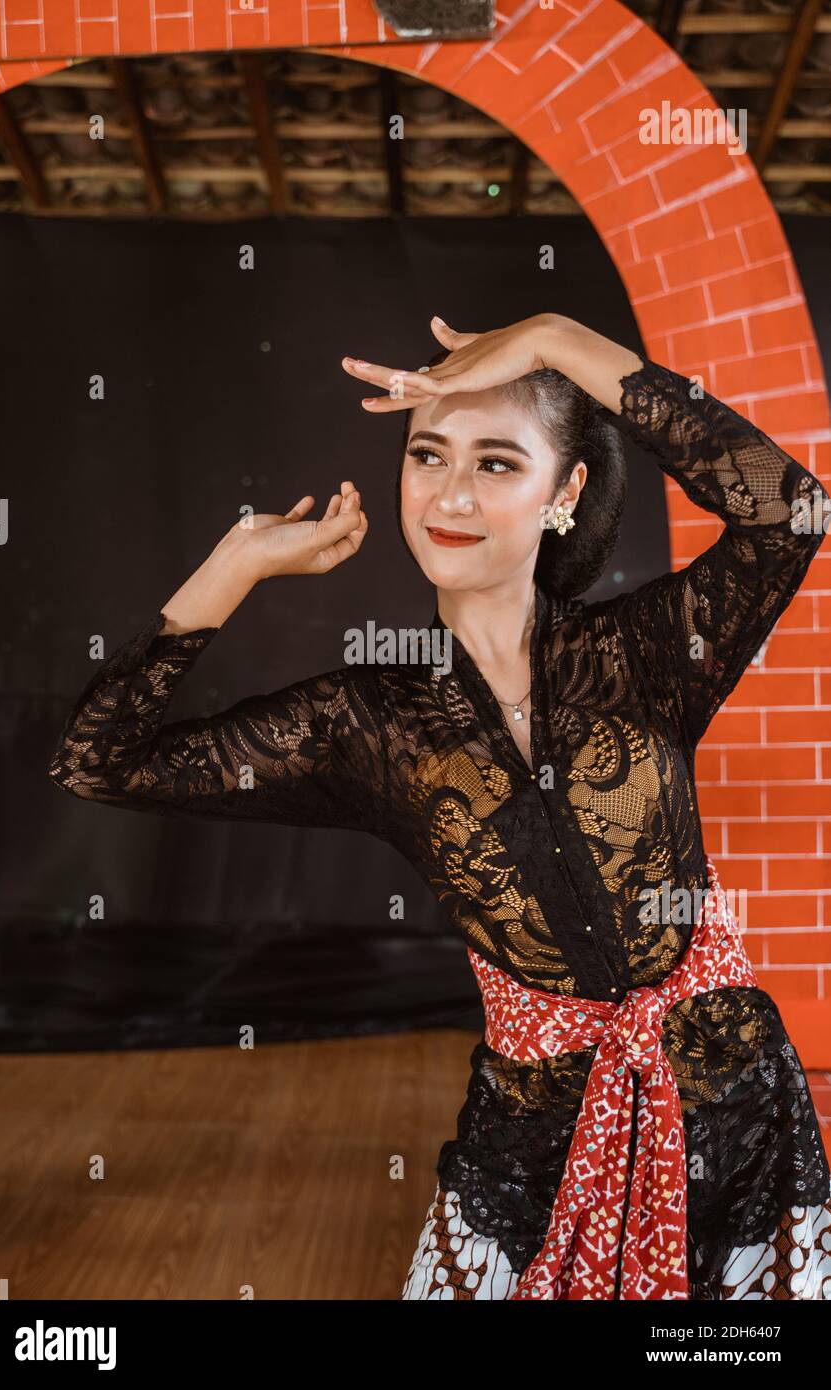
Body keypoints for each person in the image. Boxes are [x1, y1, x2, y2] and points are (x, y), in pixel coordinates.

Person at [48, 312, 831, 1300]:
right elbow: (96, 760)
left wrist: (553, 339)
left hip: (733, 1104)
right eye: (428, 453)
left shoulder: (648, 653)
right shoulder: (367, 722)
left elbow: (787, 508)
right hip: (530, 1136)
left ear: (564, 492)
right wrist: (239, 561)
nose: (450, 495)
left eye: (498, 463)